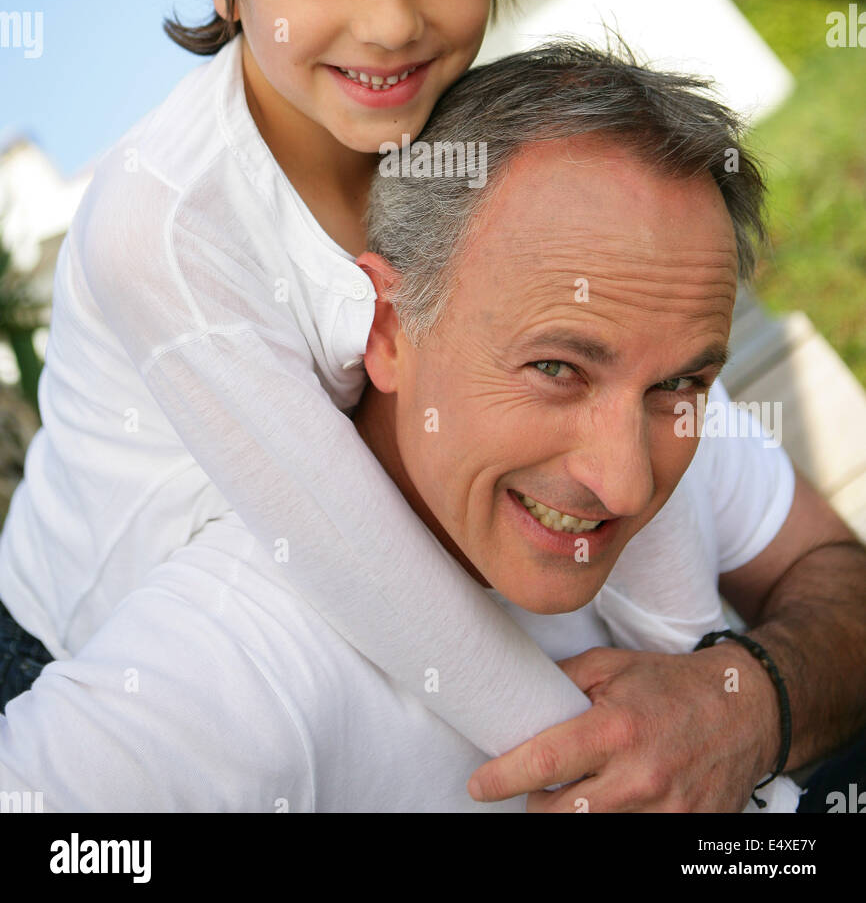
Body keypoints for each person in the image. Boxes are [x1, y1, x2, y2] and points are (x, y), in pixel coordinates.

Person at [2, 43, 864, 813]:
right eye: (557, 369)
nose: (627, 482)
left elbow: (838, 578)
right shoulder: (240, 655)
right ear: (385, 330)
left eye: (683, 380)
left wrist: (747, 704)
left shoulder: (655, 398)